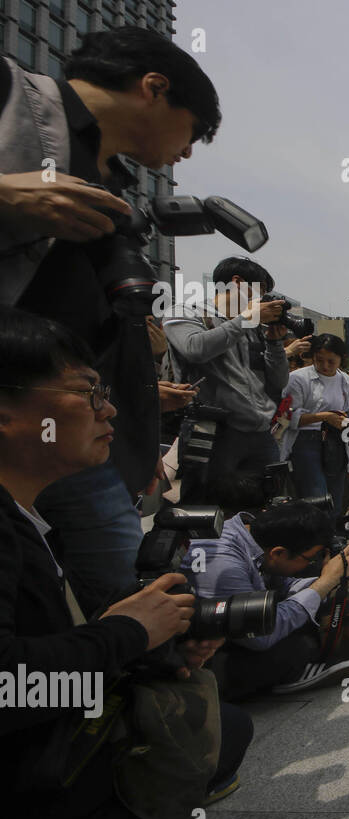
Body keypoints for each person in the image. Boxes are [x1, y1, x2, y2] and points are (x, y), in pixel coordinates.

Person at [0, 307, 248, 819]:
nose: (108, 409)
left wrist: (157, 644)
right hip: (30, 803)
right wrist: (129, 632)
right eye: (87, 392)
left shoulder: (29, 519)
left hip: (53, 757)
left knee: (225, 726)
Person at [2, 28, 221, 614]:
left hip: (78, 427)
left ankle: (103, 700)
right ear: (154, 88)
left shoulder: (120, 189)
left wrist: (133, 433)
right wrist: (6, 196)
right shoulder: (14, 97)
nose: (189, 152)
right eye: (194, 132)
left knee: (131, 597)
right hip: (12, 410)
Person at [185, 501, 349, 698]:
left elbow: (280, 583)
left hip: (237, 624)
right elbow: (260, 636)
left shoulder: (251, 534)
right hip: (208, 654)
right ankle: (288, 673)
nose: (313, 561)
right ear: (278, 552)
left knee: (330, 599)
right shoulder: (225, 565)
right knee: (299, 646)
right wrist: (325, 583)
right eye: (311, 557)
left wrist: (334, 577)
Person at [163, 256, 289, 497]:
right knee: (208, 505)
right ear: (237, 283)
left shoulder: (252, 328)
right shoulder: (186, 312)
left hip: (260, 432)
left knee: (267, 505)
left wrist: (274, 343)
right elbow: (194, 348)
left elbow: (279, 382)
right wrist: (247, 320)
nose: (262, 301)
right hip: (213, 430)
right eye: (260, 291)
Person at [280, 334, 349, 519]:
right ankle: (317, 541)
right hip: (305, 440)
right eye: (319, 360)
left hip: (335, 440)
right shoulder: (297, 378)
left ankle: (330, 538)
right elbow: (287, 417)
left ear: (341, 359)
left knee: (336, 495)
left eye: (331, 361)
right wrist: (323, 417)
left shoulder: (345, 381)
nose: (325, 366)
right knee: (316, 496)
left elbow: (346, 410)